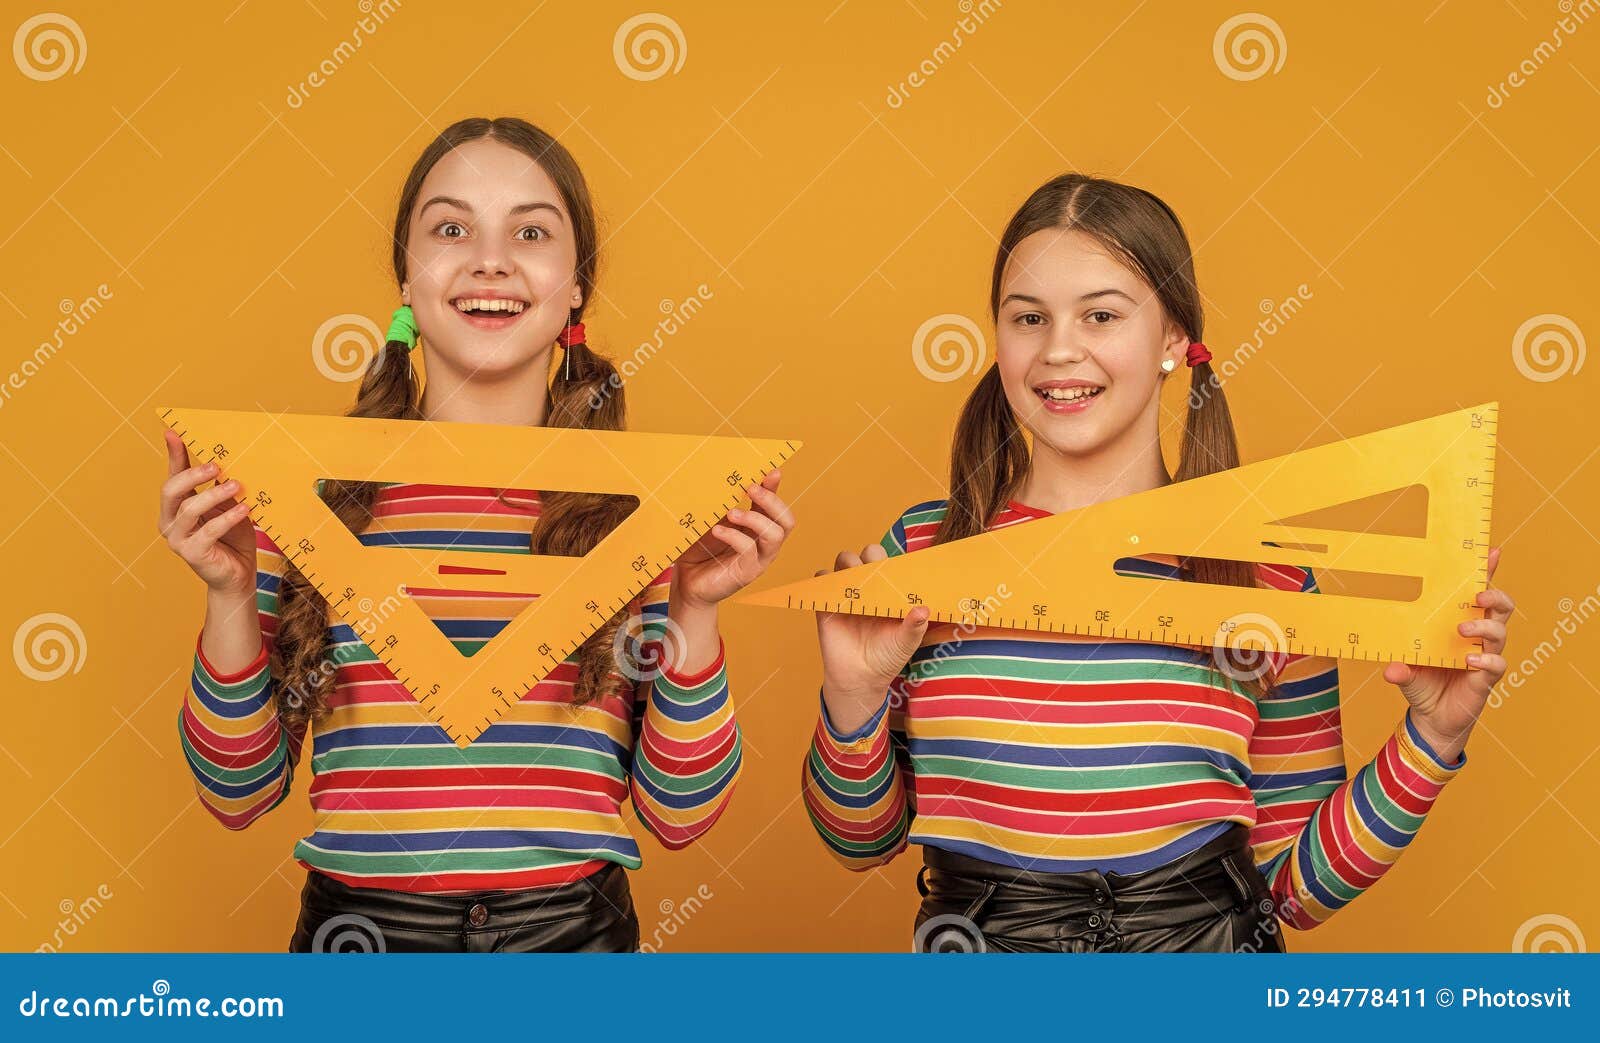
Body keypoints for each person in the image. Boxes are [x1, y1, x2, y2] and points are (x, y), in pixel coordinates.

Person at [802, 173, 1513, 953]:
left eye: (1101, 314)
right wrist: (854, 694)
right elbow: (858, 838)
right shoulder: (925, 552)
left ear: (1175, 338)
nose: (1059, 349)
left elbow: (1292, 889)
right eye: (1028, 317)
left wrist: (1431, 741)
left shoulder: (1264, 575)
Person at [159, 116, 793, 952]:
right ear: (406, 276)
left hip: (575, 940)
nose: (490, 260)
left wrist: (697, 609)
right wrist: (231, 593)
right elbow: (236, 790)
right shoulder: (317, 505)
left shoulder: (636, 514)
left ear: (575, 287)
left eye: (530, 232)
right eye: (451, 229)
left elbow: (683, 812)